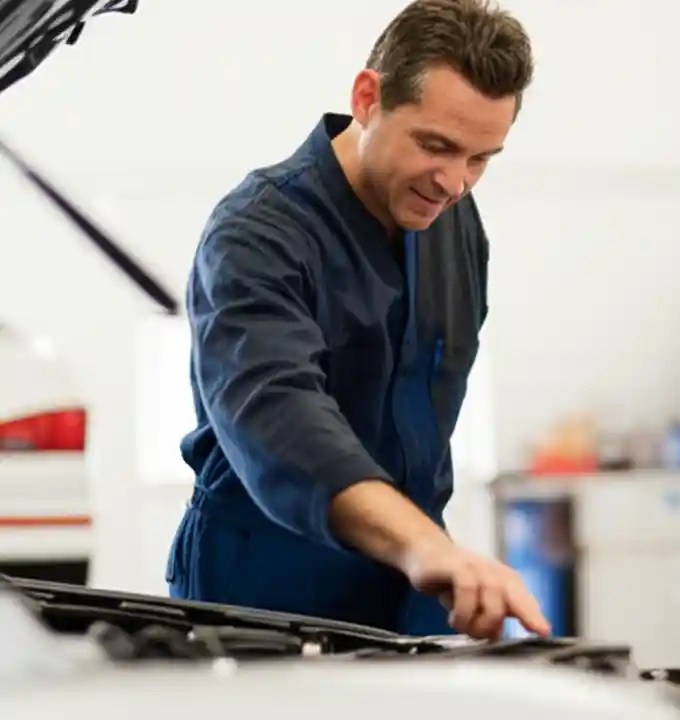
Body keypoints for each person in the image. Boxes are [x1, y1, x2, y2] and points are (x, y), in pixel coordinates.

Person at [165, 0, 550, 641]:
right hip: (260, 603)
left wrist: (433, 558)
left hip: (411, 596)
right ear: (368, 97)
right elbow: (281, 420)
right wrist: (422, 546)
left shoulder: (453, 222)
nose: (454, 182)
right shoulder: (256, 233)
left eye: (481, 158)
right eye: (436, 145)